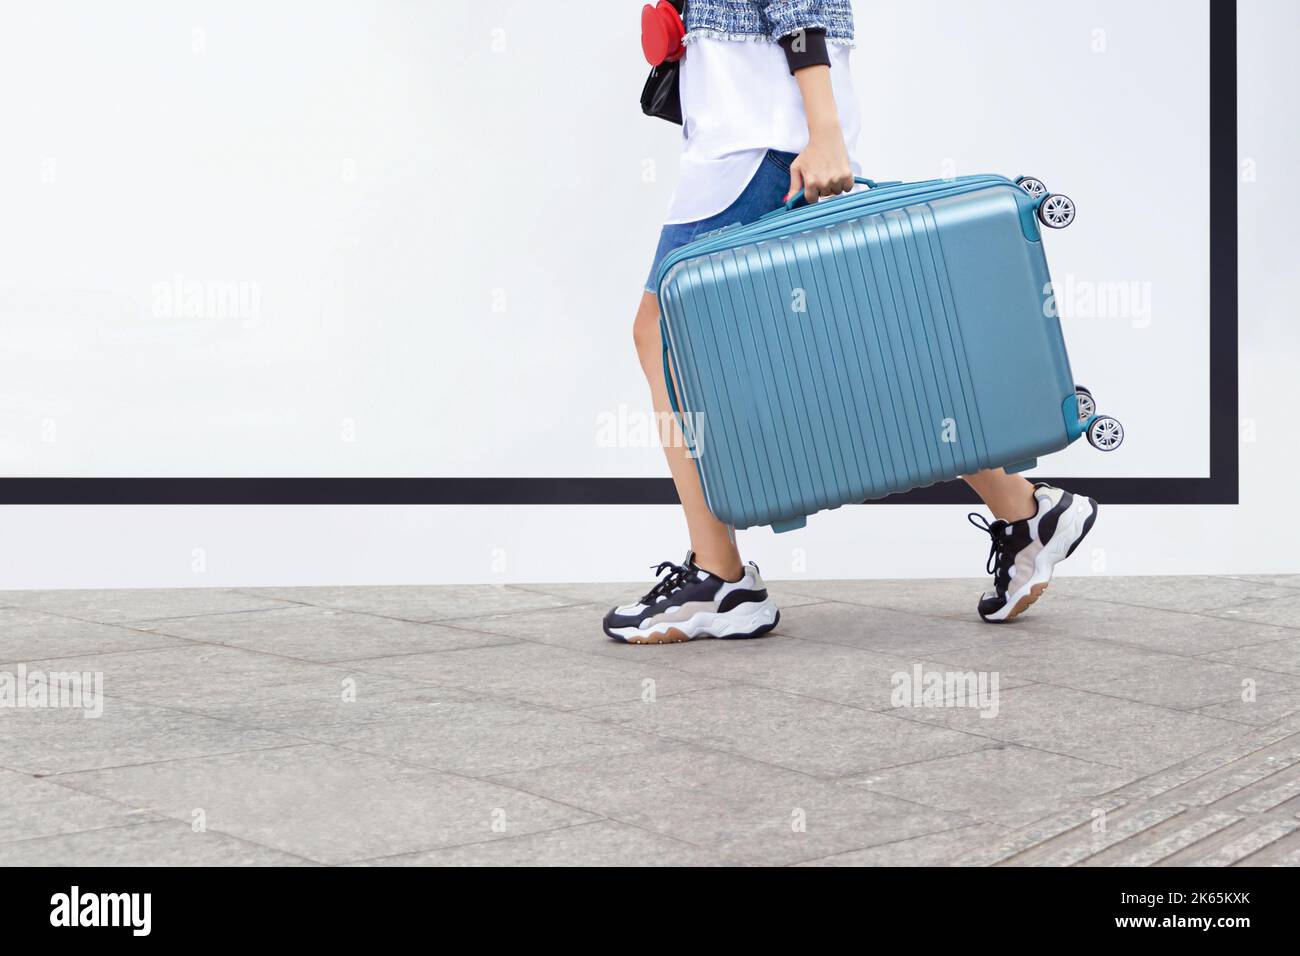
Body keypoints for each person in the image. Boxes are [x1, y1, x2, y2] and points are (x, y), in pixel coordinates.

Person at [604, 0, 1098, 644]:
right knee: (839, 344)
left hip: (754, 138)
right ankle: (1026, 511)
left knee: (664, 337)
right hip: (756, 130)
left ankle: (719, 576)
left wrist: (825, 129)